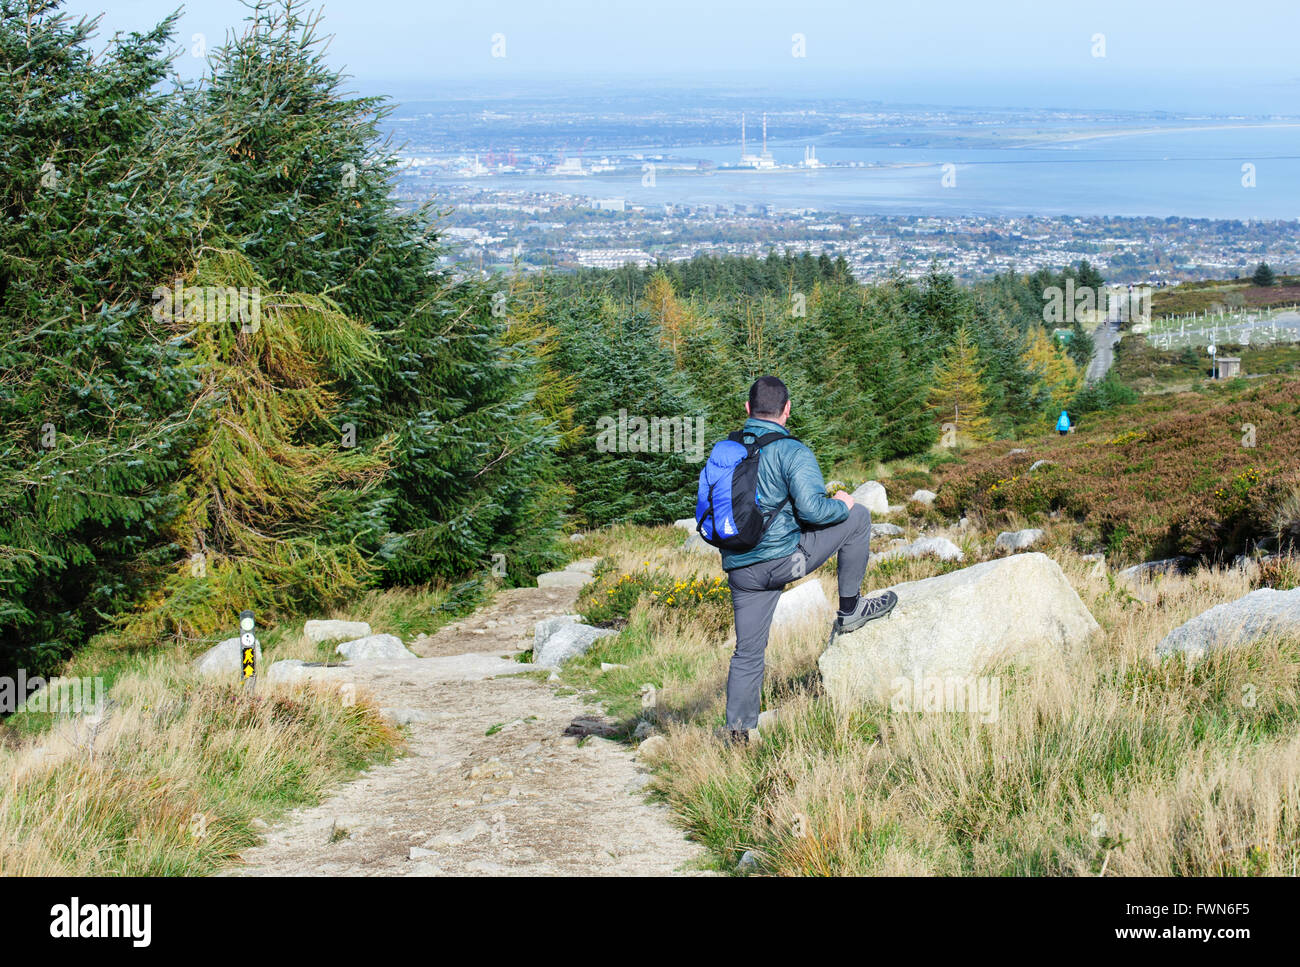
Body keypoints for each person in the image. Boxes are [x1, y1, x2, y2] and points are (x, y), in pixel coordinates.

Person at [719, 376, 895, 744]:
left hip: (741, 569)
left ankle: (738, 735)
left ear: (748, 409)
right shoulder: (792, 451)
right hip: (785, 561)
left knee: (747, 652)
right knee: (859, 516)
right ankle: (850, 610)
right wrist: (842, 503)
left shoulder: (724, 450)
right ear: (786, 410)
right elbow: (814, 511)